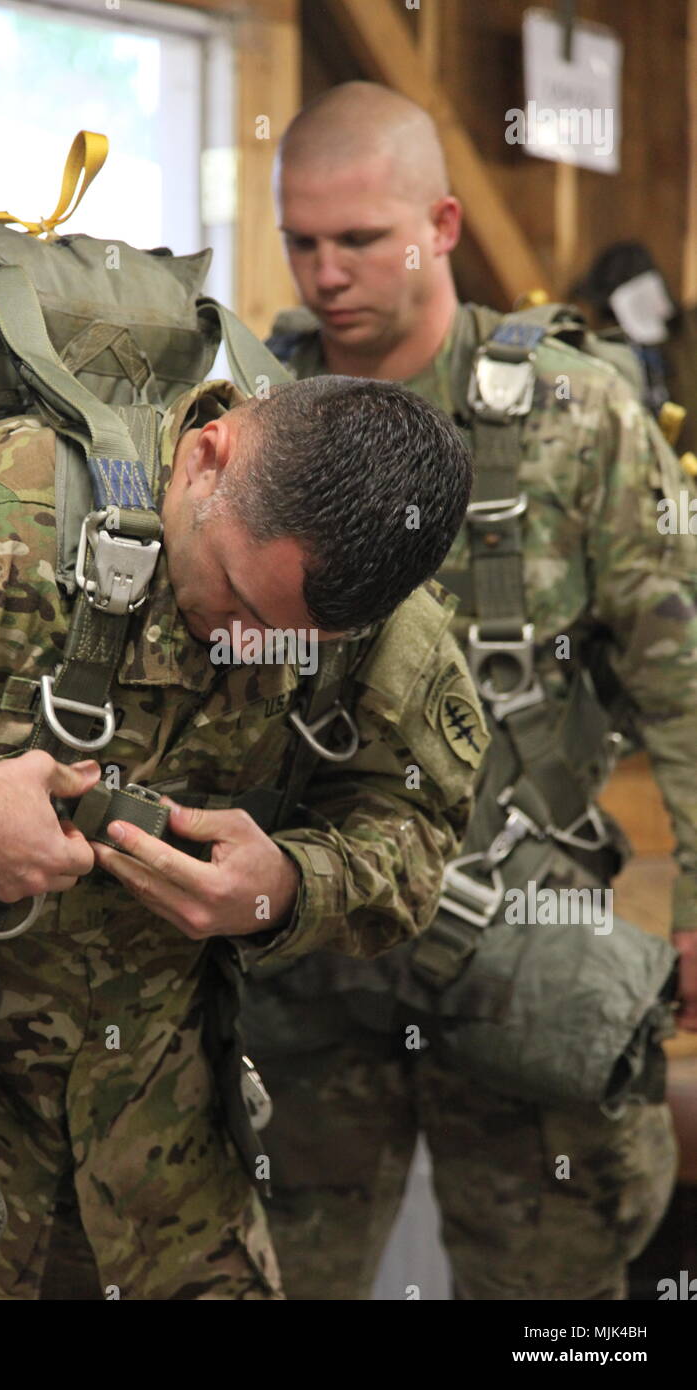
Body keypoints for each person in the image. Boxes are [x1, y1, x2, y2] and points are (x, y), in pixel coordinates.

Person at [0, 370, 482, 1300]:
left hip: (168, 1178)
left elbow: (419, 822)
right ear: (208, 458)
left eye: (291, 642)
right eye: (240, 603)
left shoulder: (351, 595)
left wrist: (289, 886)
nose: (248, 646)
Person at [242, 80, 697, 1301]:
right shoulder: (251, 411)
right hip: (307, 931)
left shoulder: (574, 414)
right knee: (274, 1277)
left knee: (550, 1294)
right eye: (300, 241)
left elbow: (679, 674)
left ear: (441, 225)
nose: (325, 273)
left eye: (359, 238)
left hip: (518, 923)